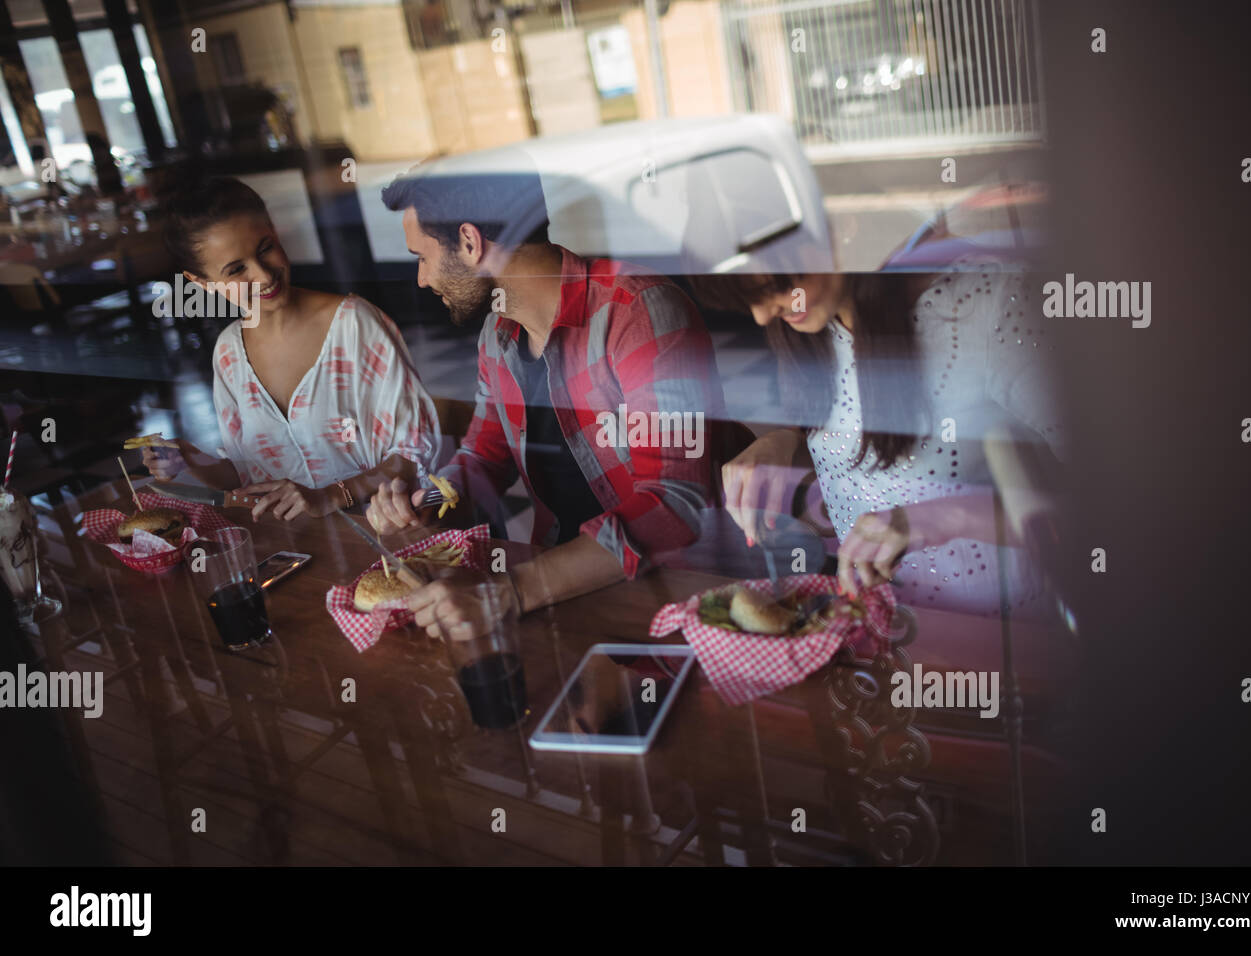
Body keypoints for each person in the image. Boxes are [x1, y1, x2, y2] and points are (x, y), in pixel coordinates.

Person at [366, 156, 723, 641]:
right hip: (555, 593)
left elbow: (673, 503)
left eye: (422, 257)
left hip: (666, 598)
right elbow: (483, 458)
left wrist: (511, 593)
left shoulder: (640, 311)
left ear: (470, 243)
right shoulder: (498, 333)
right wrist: (424, 498)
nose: (422, 280)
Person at [696, 258, 1065, 617]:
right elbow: (864, 447)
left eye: (775, 288)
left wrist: (949, 516)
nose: (761, 316)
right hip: (880, 621)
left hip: (998, 637)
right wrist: (784, 442)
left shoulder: (989, 308)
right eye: (749, 299)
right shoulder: (811, 321)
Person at [142, 176, 442, 522]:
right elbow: (245, 477)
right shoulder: (229, 353)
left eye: (266, 247)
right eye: (237, 269)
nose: (265, 276)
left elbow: (412, 457)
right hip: (298, 551)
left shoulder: (354, 325)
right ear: (202, 283)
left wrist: (329, 496)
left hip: (381, 536)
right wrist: (188, 458)